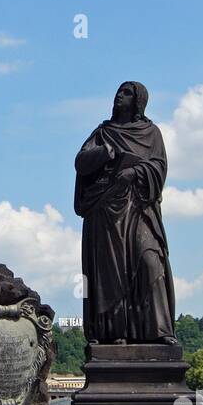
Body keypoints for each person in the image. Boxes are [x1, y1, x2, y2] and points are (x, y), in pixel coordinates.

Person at [74, 81, 177, 345]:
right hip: (107, 211)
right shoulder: (104, 132)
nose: (120, 96)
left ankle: (160, 332)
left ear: (139, 101)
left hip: (140, 208)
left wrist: (134, 172)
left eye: (127, 93)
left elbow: (159, 168)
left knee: (150, 262)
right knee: (111, 273)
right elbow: (81, 162)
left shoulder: (151, 133)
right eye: (119, 92)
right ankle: (113, 334)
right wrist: (106, 152)